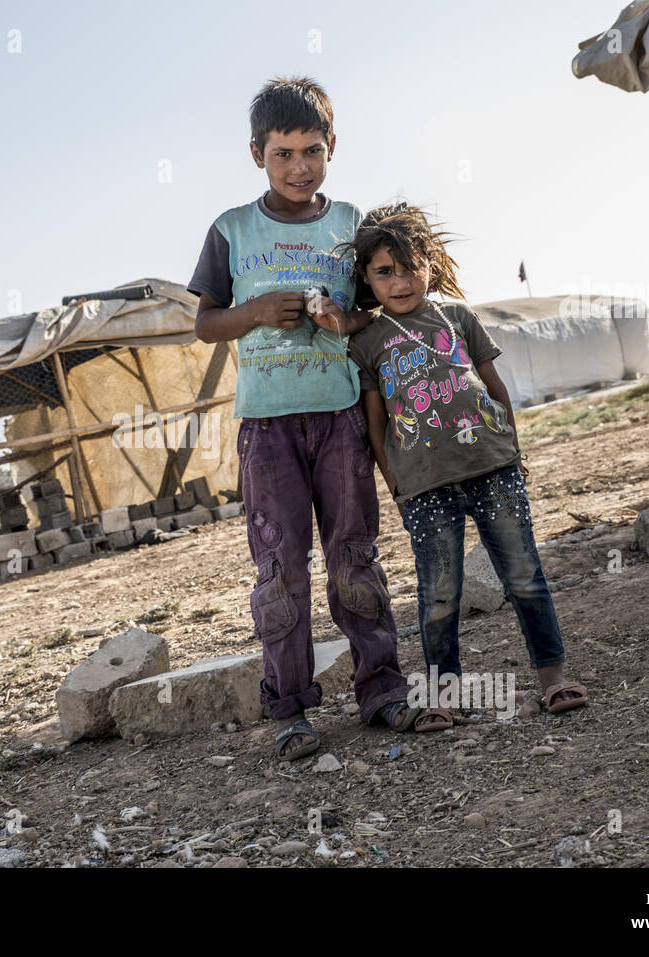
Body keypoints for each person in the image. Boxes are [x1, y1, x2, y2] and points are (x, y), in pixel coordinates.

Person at [188, 77, 420, 763]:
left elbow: (373, 309)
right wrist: (258, 311)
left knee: (353, 555)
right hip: (268, 429)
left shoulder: (351, 222)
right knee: (280, 569)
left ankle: (381, 689)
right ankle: (290, 709)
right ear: (256, 154)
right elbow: (205, 323)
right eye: (283, 154)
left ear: (332, 146)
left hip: (340, 417)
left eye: (312, 151)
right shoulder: (231, 230)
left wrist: (339, 318)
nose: (299, 167)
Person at [344, 203, 589, 731]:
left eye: (410, 268)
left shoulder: (458, 317)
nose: (399, 282)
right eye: (384, 272)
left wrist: (512, 451)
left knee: (523, 574)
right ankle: (444, 696)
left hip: (492, 467)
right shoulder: (366, 342)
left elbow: (494, 387)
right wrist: (396, 484)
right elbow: (375, 424)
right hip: (424, 487)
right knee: (439, 593)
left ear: (430, 264)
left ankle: (553, 677)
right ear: (365, 277)